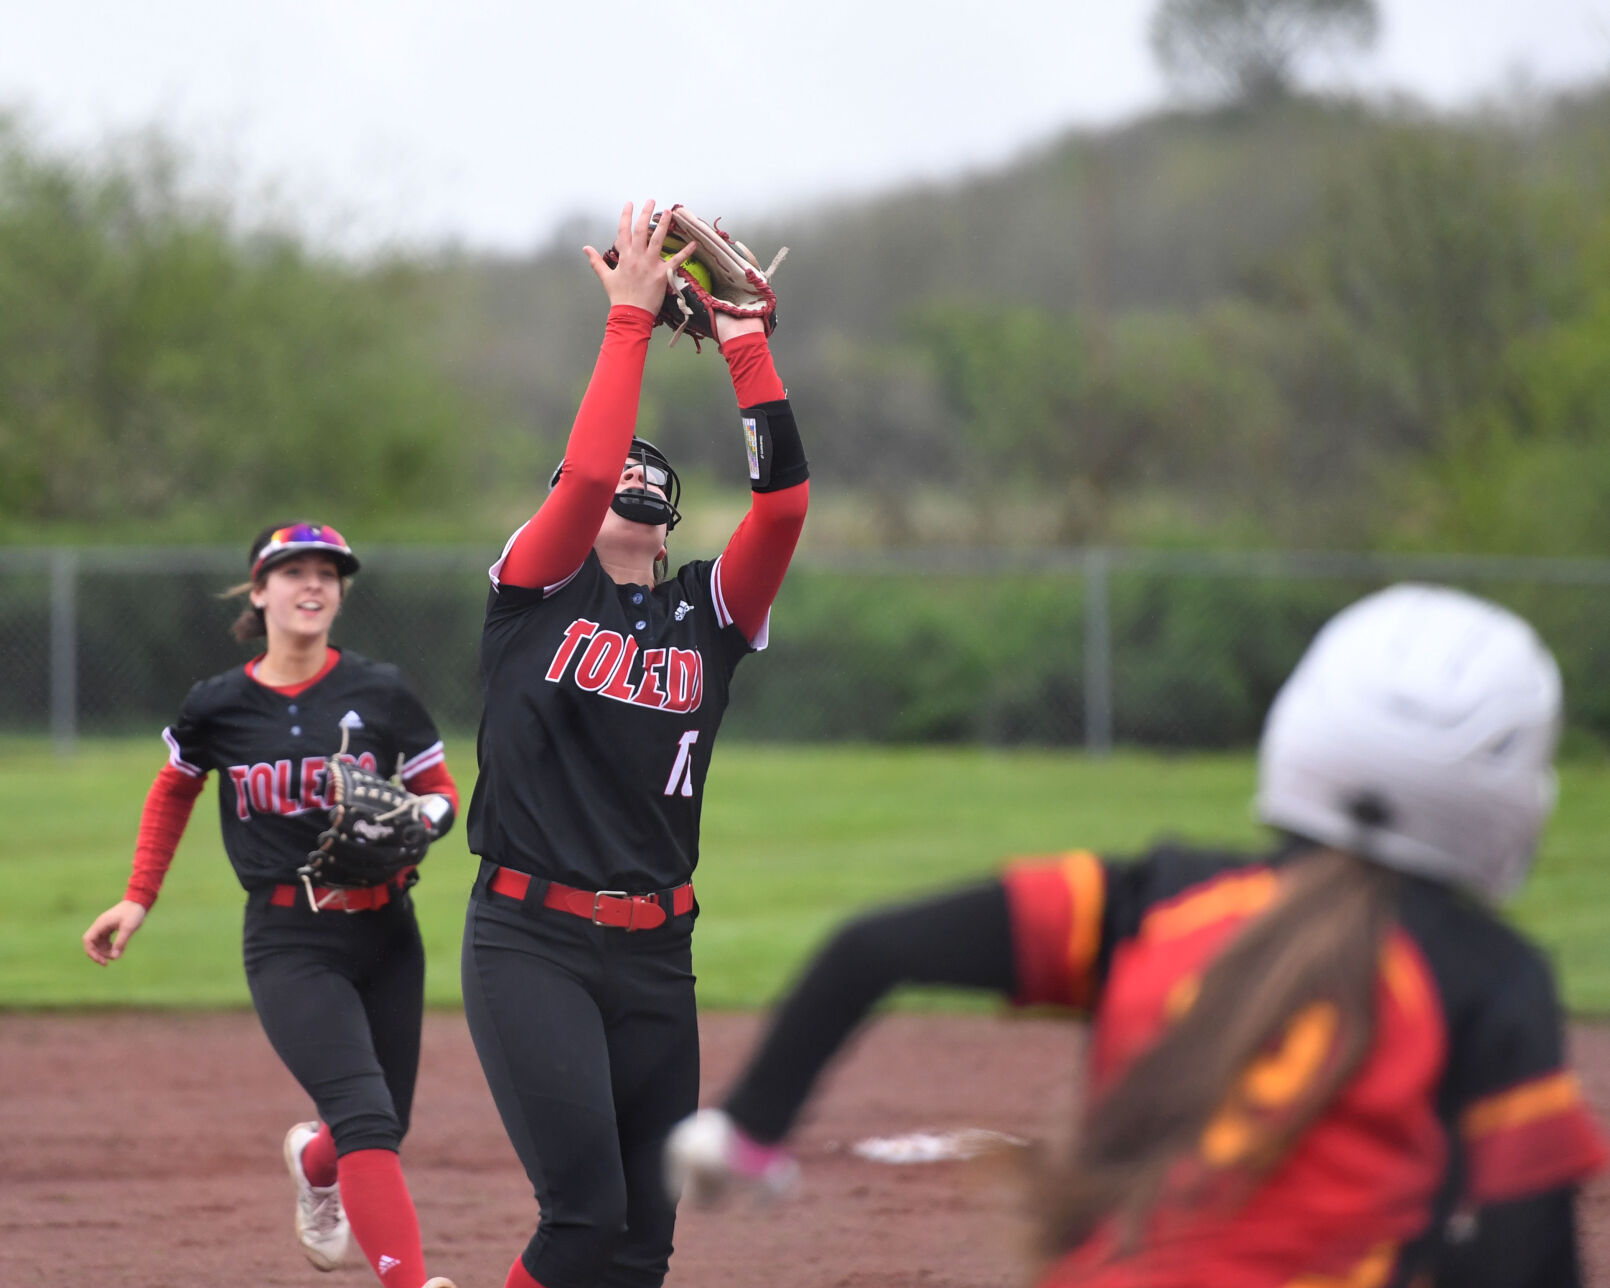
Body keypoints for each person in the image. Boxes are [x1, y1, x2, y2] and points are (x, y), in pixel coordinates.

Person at [666, 583, 1609, 1288]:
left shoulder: (1159, 899)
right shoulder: (1493, 981)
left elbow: (871, 950)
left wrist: (748, 1128)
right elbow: (1528, 1258)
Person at [459, 198, 810, 1288]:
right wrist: (627, 320)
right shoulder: (534, 593)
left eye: (651, 505)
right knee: (581, 1217)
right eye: (622, 497)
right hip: (531, 941)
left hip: (658, 956)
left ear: (666, 527)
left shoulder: (709, 615)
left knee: (641, 1251)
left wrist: (747, 349)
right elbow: (577, 480)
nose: (632, 512)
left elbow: (785, 507)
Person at [82, 521, 462, 1288]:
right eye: (292, 572)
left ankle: (314, 1164)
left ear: (341, 593)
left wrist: (422, 820)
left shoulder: (380, 690)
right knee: (367, 1117)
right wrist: (137, 897)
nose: (312, 584)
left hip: (389, 929)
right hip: (290, 936)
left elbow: (441, 793)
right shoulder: (218, 704)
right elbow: (174, 790)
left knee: (382, 1123)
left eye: (328, 572)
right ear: (260, 593)